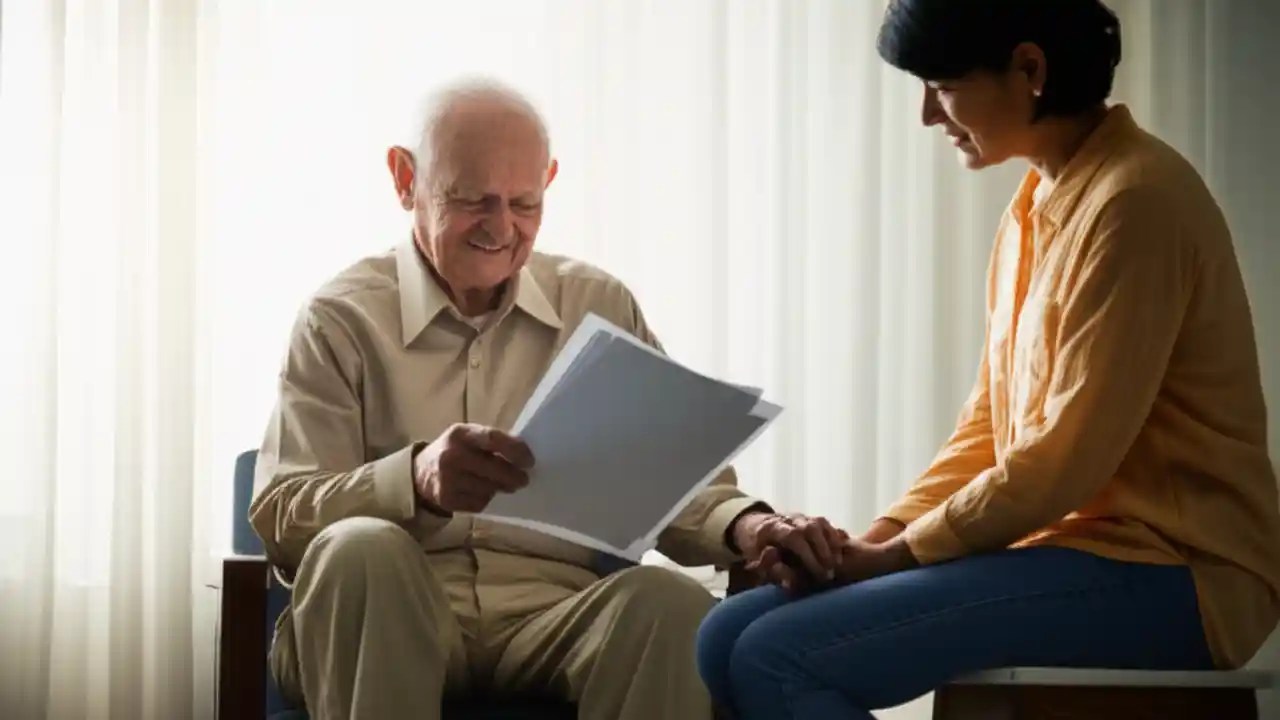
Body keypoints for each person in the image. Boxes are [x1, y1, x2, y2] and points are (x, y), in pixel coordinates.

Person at [695, 1, 1280, 717]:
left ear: (1029, 69)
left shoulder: (1136, 203)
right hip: (1071, 555)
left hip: (1179, 574)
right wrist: (866, 544)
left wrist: (896, 559)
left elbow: (1063, 459)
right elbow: (987, 431)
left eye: (939, 87)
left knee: (773, 654)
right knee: (723, 632)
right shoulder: (1034, 205)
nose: (926, 116)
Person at [249, 79, 842, 720]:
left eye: (524, 202)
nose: (501, 228)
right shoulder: (339, 319)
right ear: (404, 179)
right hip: (390, 612)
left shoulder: (598, 306)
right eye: (471, 199)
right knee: (362, 548)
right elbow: (283, 517)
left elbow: (672, 481)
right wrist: (413, 480)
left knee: (669, 605)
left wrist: (751, 526)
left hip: (557, 615)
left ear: (549, 182)